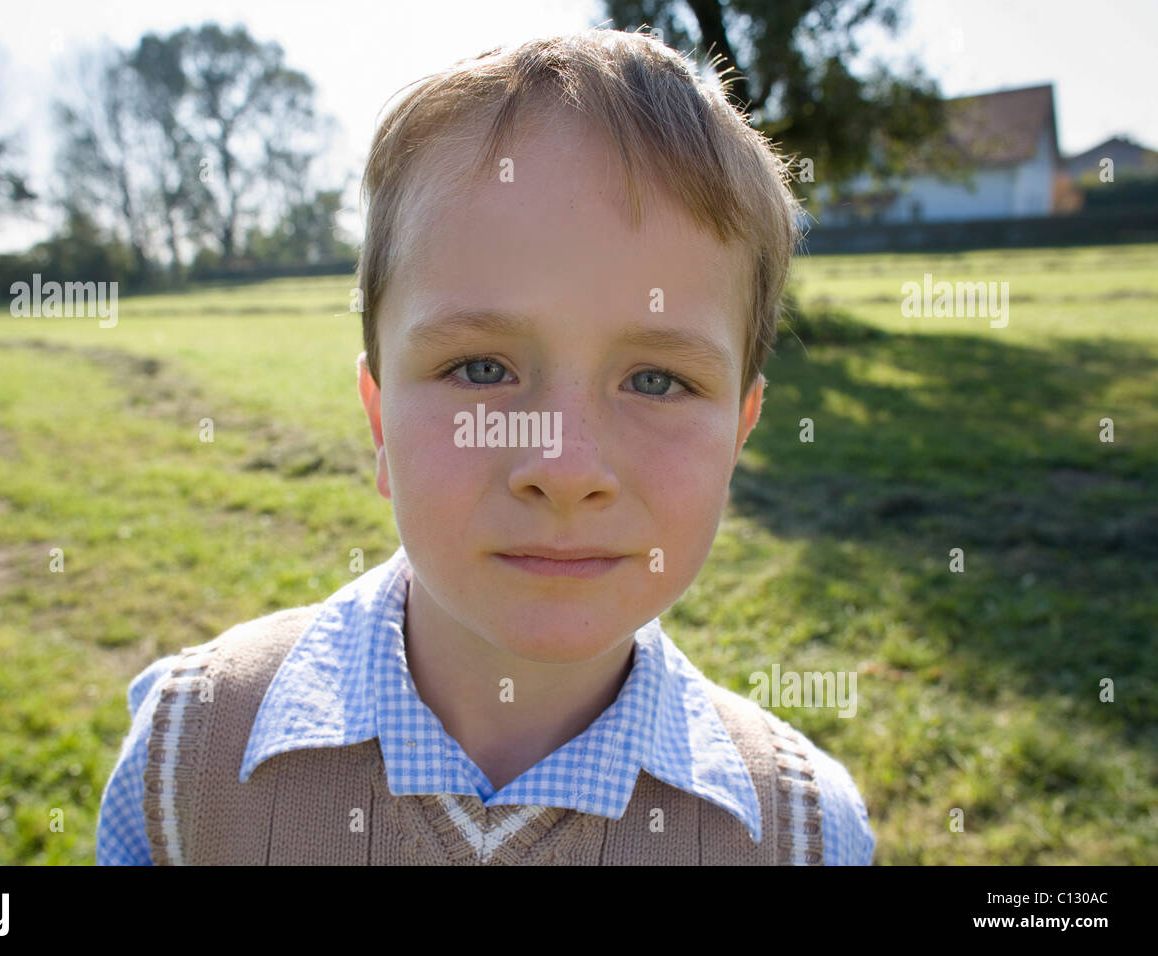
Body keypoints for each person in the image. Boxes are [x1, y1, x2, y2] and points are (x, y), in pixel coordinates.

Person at [97, 27, 875, 865]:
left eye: (656, 381)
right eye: (480, 368)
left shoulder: (804, 835)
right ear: (381, 418)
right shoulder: (186, 760)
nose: (567, 469)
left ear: (739, 435)